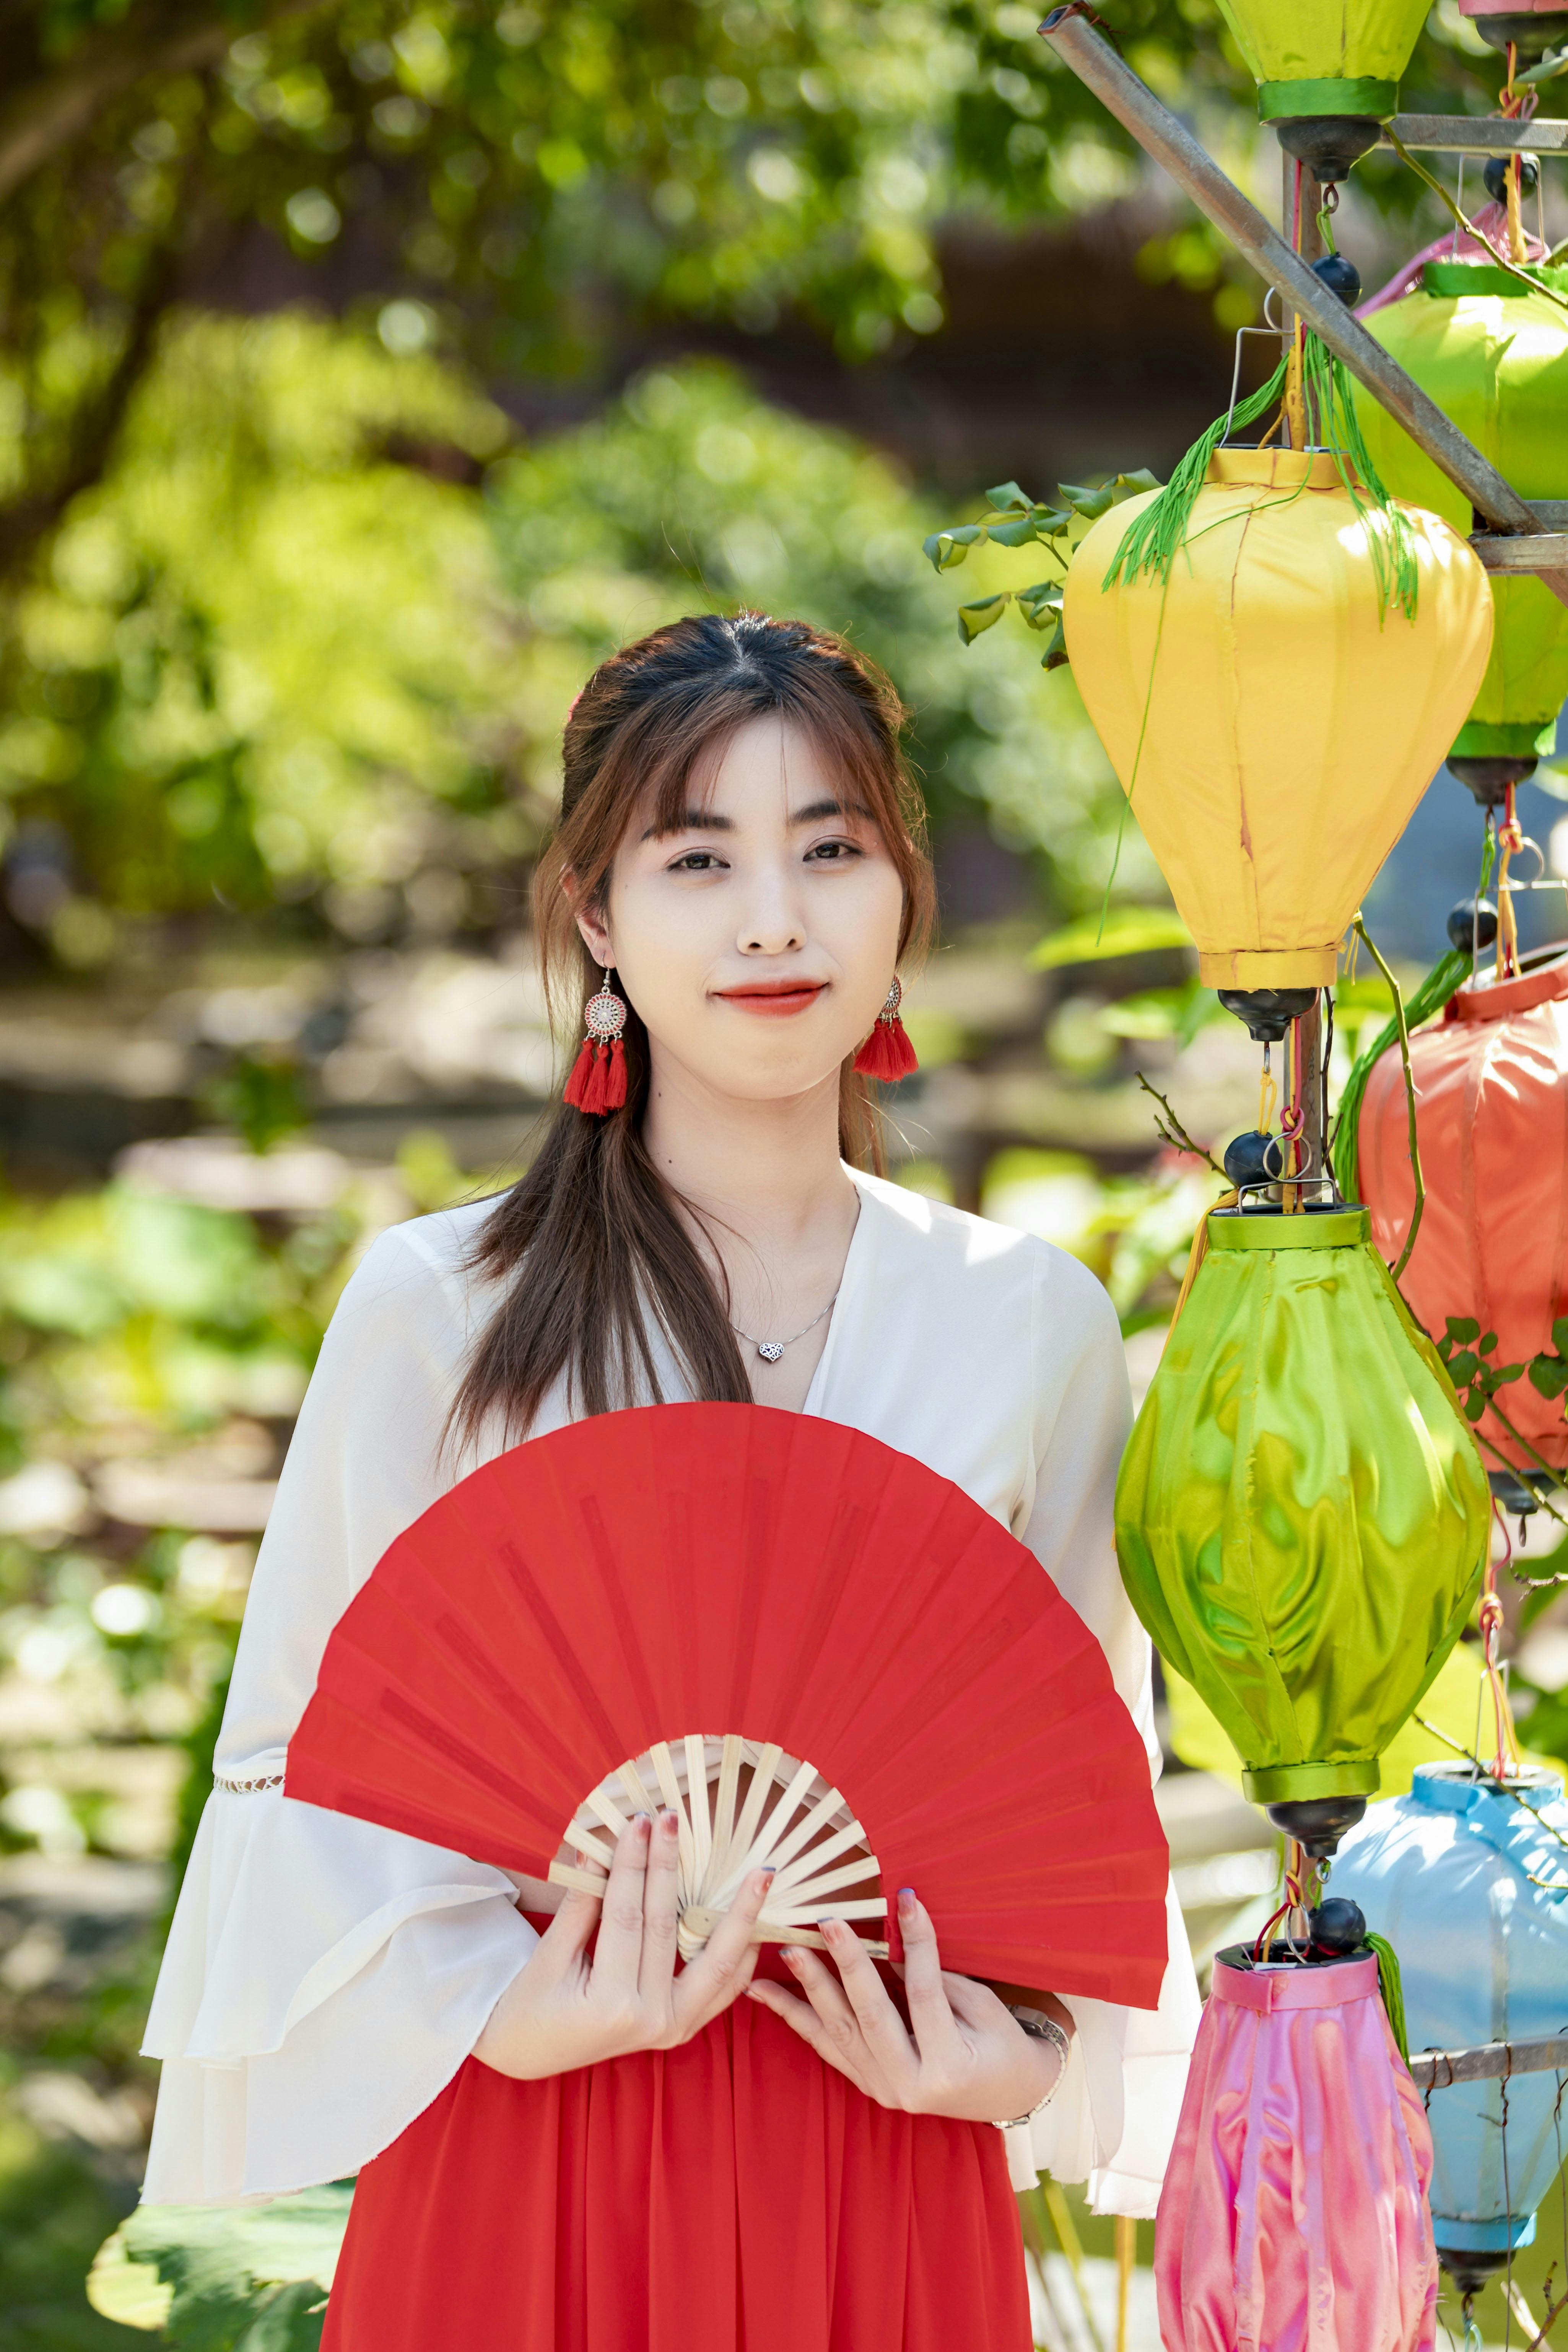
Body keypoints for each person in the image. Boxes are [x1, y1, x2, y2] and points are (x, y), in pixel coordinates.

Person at [141, 612, 1200, 2350]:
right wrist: (505, 2007)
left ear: (904, 896)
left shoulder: (1027, 1322)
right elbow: (290, 1773)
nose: (773, 918)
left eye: (829, 850)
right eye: (697, 858)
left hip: (879, 2155)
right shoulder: (444, 1310)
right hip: (526, 2151)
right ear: (595, 916)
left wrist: (1011, 2054)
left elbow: (1083, 1805)